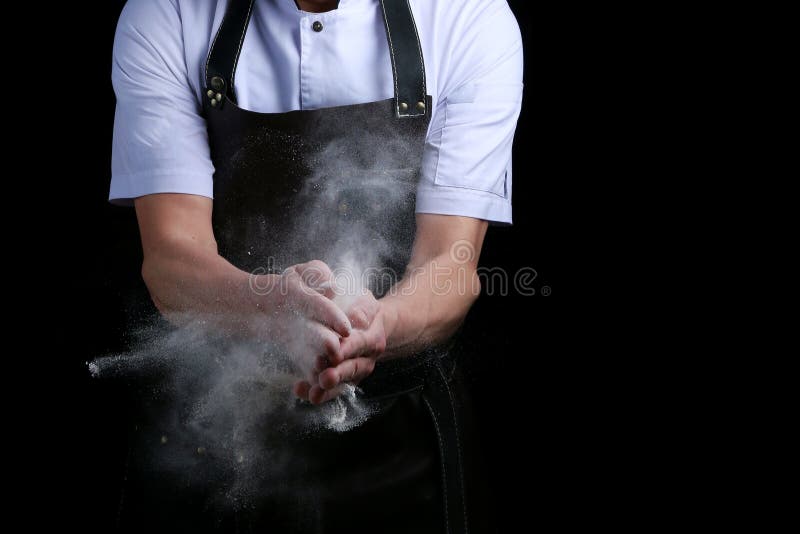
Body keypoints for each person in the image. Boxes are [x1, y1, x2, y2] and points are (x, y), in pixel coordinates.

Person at [110, 0, 522, 532]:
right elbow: (171, 259)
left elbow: (449, 265)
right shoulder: (167, 12)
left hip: (406, 456)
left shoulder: (468, 15)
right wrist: (268, 306)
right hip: (212, 441)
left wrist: (377, 326)